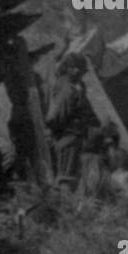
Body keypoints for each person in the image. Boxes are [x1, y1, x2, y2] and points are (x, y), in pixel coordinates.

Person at [45, 51, 96, 190]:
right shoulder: (68, 88)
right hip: (68, 136)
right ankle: (64, 208)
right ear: (70, 69)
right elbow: (57, 115)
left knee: (67, 176)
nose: (81, 73)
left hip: (68, 135)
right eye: (79, 69)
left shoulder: (66, 85)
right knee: (66, 177)